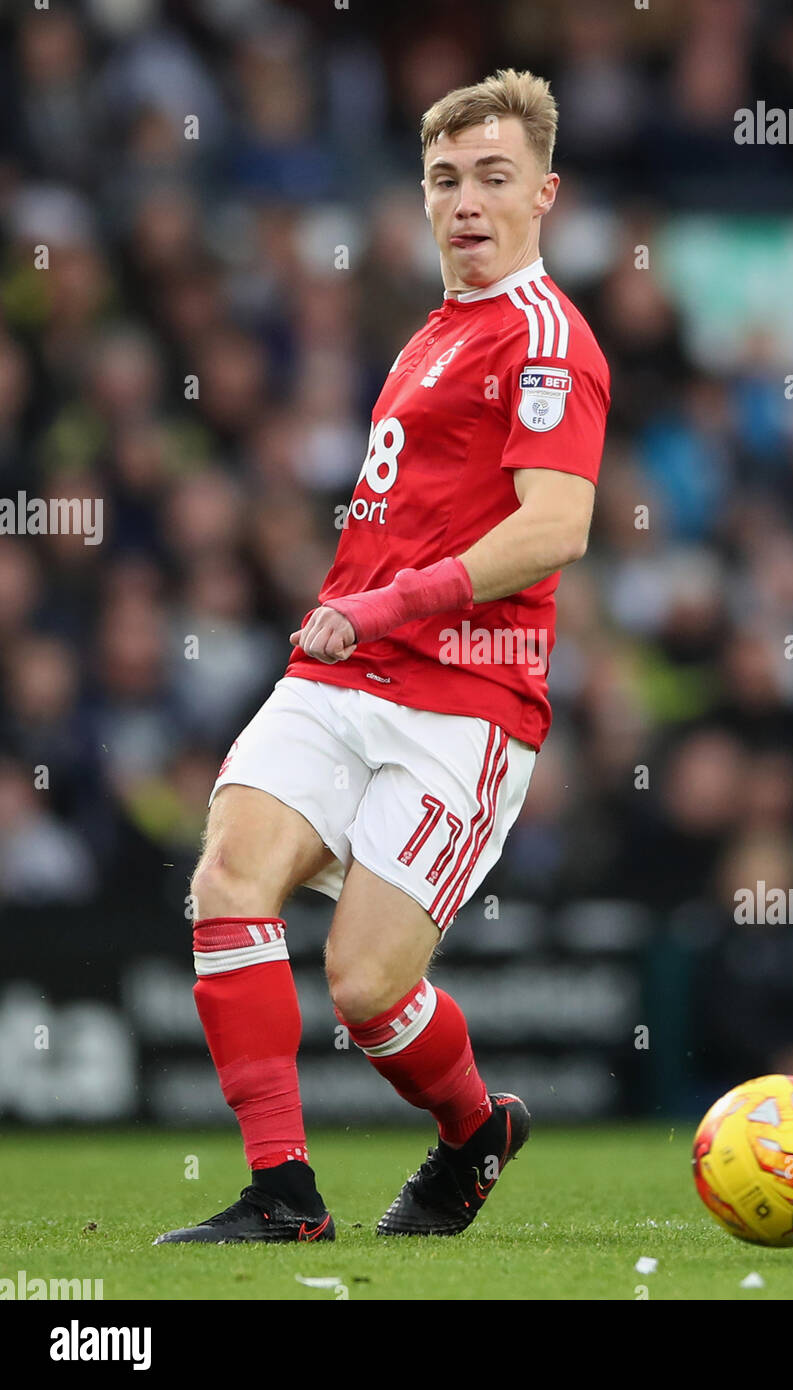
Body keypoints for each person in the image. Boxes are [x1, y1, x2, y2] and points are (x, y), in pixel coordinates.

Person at [155, 68, 610, 1244]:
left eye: (493, 178)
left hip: (463, 698)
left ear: (543, 193)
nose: (465, 201)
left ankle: (473, 1130)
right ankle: (282, 1191)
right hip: (337, 673)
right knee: (225, 882)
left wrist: (396, 599)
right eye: (445, 180)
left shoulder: (549, 337)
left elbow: (556, 527)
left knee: (363, 989)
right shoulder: (428, 335)